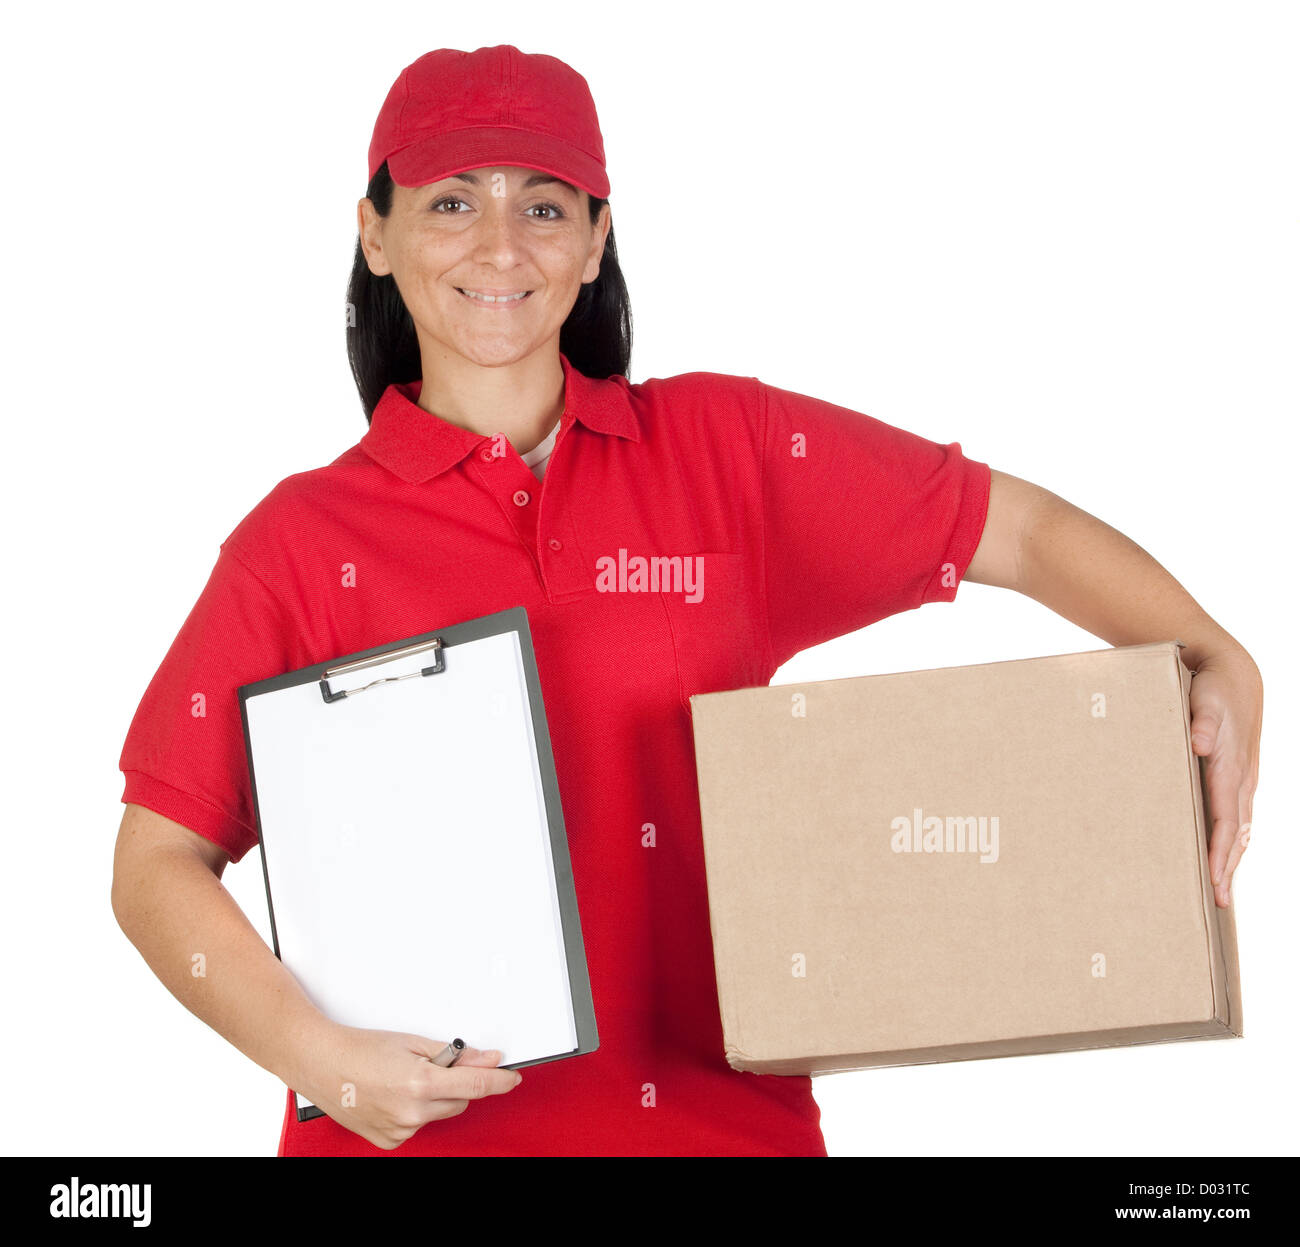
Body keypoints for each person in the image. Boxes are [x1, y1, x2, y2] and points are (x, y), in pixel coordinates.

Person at [112, 44, 1263, 1157]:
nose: (501, 242)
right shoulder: (303, 542)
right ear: (375, 232)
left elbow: (1011, 527)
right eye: (452, 202)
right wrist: (316, 1055)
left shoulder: (728, 456)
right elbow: (157, 859)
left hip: (721, 1139)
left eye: (547, 205)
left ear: (598, 237)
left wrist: (1216, 653)